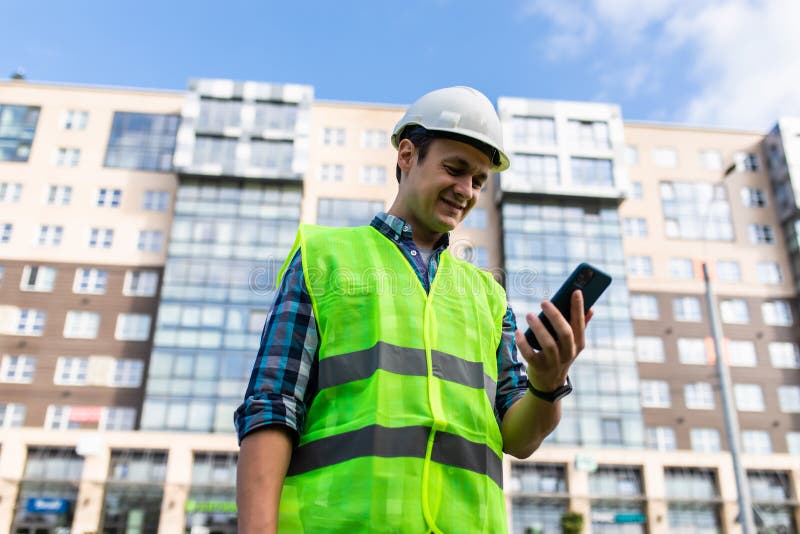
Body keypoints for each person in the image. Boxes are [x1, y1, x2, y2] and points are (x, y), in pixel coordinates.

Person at [235, 86, 591, 533]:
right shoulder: (324, 258)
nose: (466, 191)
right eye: (455, 169)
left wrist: (547, 383)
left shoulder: (489, 293)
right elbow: (273, 406)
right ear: (407, 155)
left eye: (479, 181)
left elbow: (518, 439)